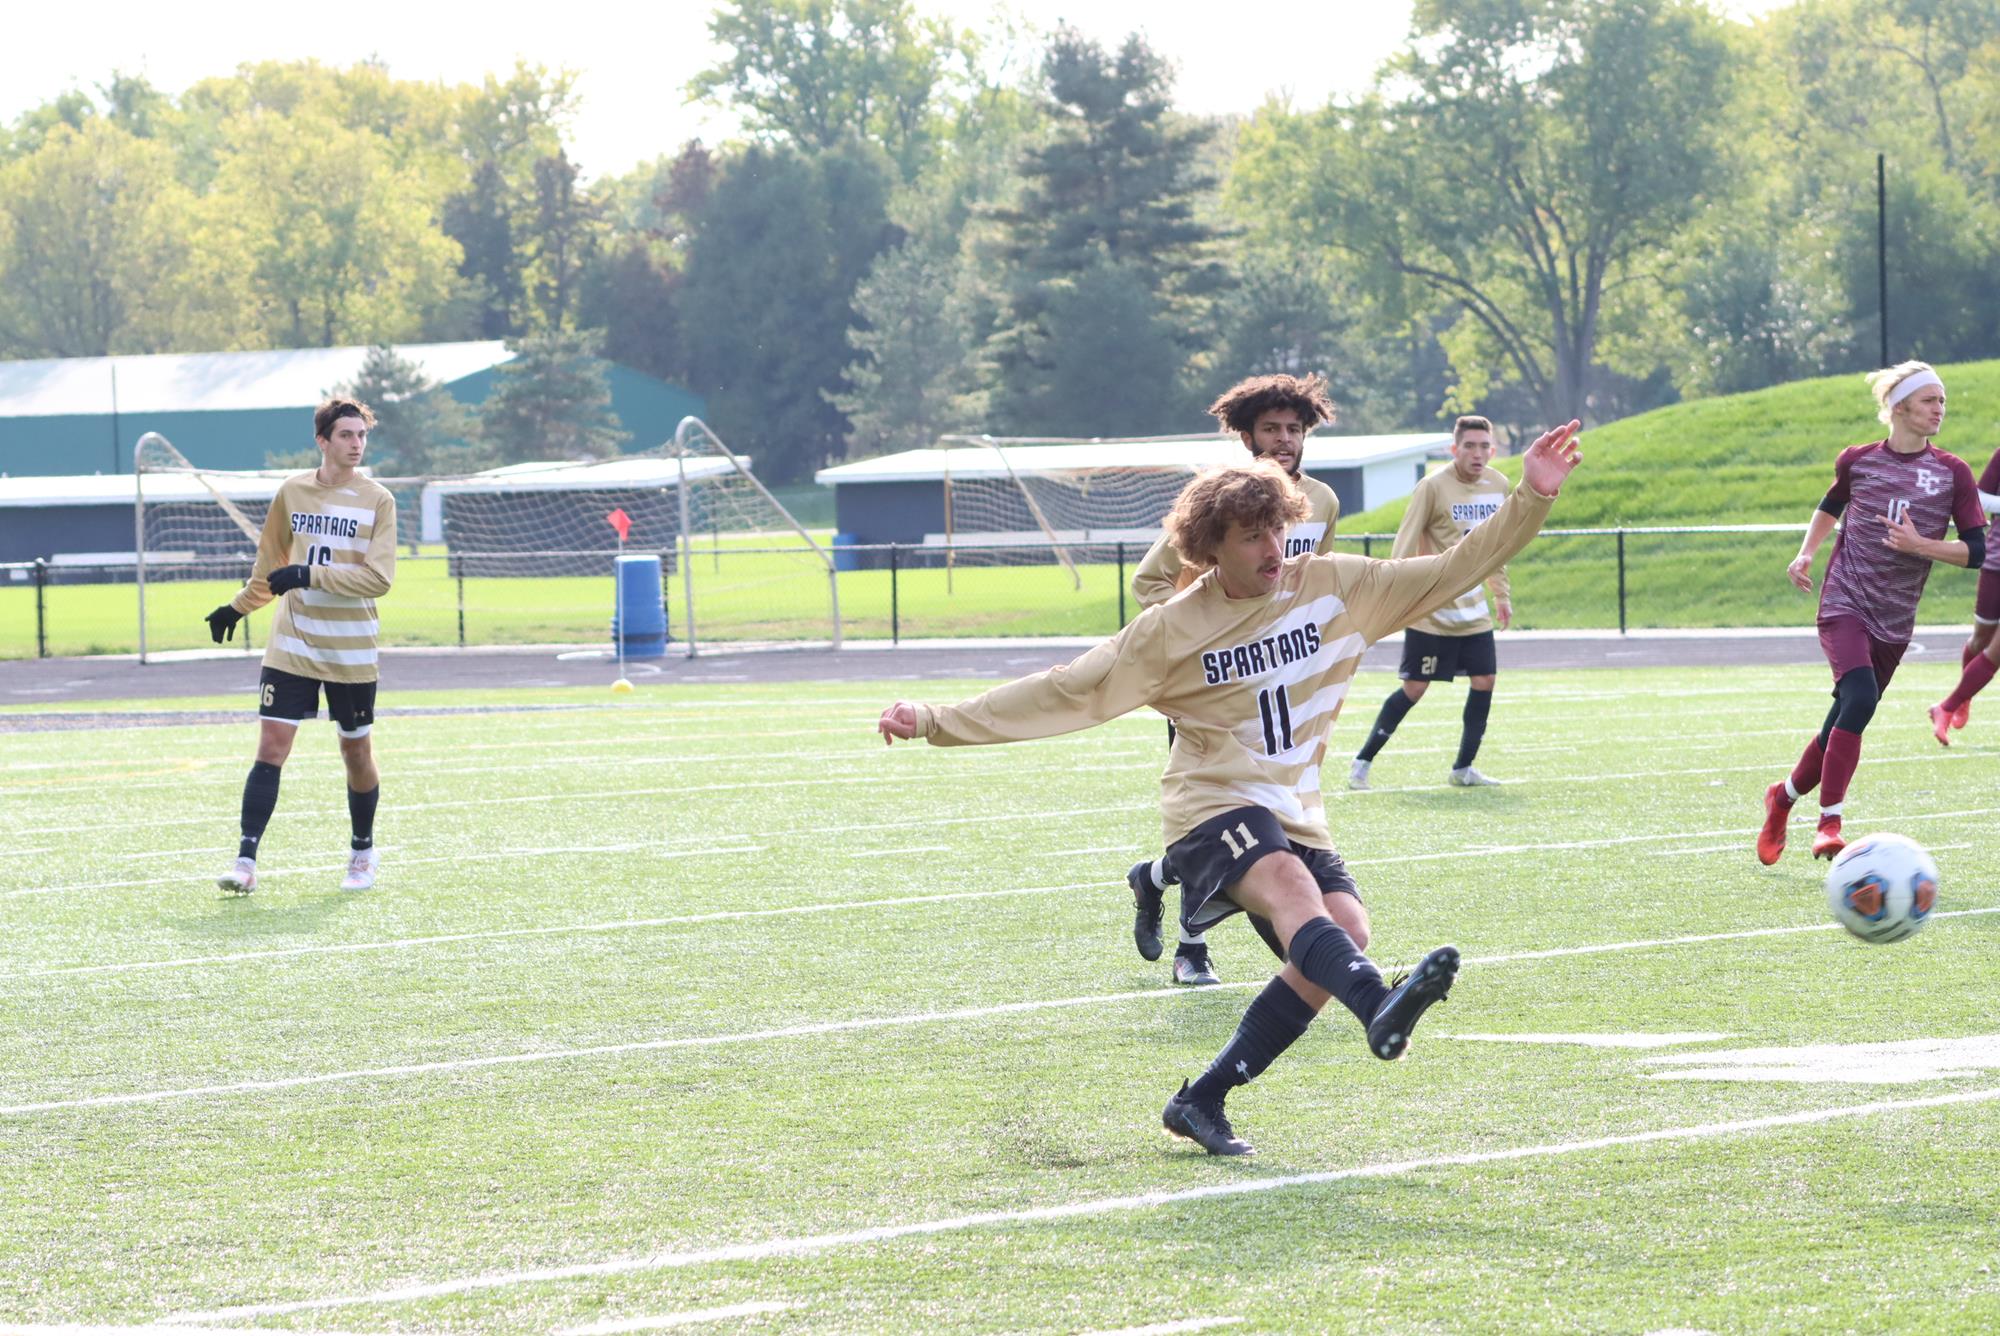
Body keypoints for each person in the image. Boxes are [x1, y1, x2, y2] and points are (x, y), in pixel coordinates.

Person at [878, 421, 1583, 1155]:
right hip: (1211, 803)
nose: (1273, 550)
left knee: (1347, 930)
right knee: (1290, 891)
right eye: (1250, 537)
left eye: (1277, 529)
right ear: (1208, 549)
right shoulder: (1172, 629)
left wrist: (1532, 494)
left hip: (1296, 809)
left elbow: (1458, 565)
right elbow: (1066, 691)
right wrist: (934, 719)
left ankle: (1202, 1099)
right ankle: (1379, 1004)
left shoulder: (1339, 587)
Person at [1126, 373, 1342, 989]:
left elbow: (1314, 587)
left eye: (1293, 429)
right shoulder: (1214, 503)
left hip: (1281, 687)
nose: (1283, 439)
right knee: (1219, 816)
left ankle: (1153, 878)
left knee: (1274, 818)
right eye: (1270, 428)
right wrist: (1199, 637)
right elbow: (1148, 583)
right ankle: (1192, 949)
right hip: (1214, 686)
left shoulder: (1322, 504)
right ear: (1246, 436)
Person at [1757, 363, 1984, 865]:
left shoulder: (1953, 472)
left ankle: (1782, 798)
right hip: (1845, 602)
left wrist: (1920, 544)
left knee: (1842, 718)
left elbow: (1977, 552)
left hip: (1895, 621)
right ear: (1899, 406)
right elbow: (1831, 503)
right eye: (1929, 400)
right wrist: (1806, 552)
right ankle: (1829, 822)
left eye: (1942, 401)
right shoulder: (1857, 460)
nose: (1939, 409)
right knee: (1858, 699)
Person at [205, 398, 399, 895]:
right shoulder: (292, 492)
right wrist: (238, 607)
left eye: (361, 436)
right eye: (346, 436)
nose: (356, 444)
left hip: (352, 651)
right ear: (323, 441)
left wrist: (309, 573)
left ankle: (362, 850)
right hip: (292, 645)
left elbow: (378, 579)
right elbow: (270, 569)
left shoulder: (378, 500)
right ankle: (245, 861)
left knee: (355, 752)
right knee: (271, 747)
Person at [1349, 415, 1513, 790]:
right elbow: (1404, 543)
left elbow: (1497, 546)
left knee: (1485, 680)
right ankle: (1362, 761)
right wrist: (1395, 593)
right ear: (1454, 449)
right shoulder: (1432, 487)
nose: (1477, 453)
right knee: (1415, 688)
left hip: (1474, 612)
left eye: (1484, 446)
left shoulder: (1499, 485)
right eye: (1469, 446)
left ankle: (1463, 768)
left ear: (1493, 449)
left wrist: (1501, 593)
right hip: (1431, 611)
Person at [1926, 445, 2000, 743]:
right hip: (1996, 562)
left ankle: (1947, 706)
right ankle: (1963, 695)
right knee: (1981, 638)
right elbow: (1981, 498)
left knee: (1996, 650)